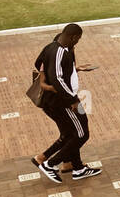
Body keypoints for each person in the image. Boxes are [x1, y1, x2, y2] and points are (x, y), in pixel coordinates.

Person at [30, 23, 101, 184]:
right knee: (82, 134)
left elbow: (40, 64)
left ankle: (75, 167)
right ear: (73, 37)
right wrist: (73, 100)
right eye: (77, 40)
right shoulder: (60, 52)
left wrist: (76, 69)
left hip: (65, 99)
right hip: (65, 101)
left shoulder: (53, 48)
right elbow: (58, 79)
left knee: (70, 134)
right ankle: (49, 164)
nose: (77, 44)